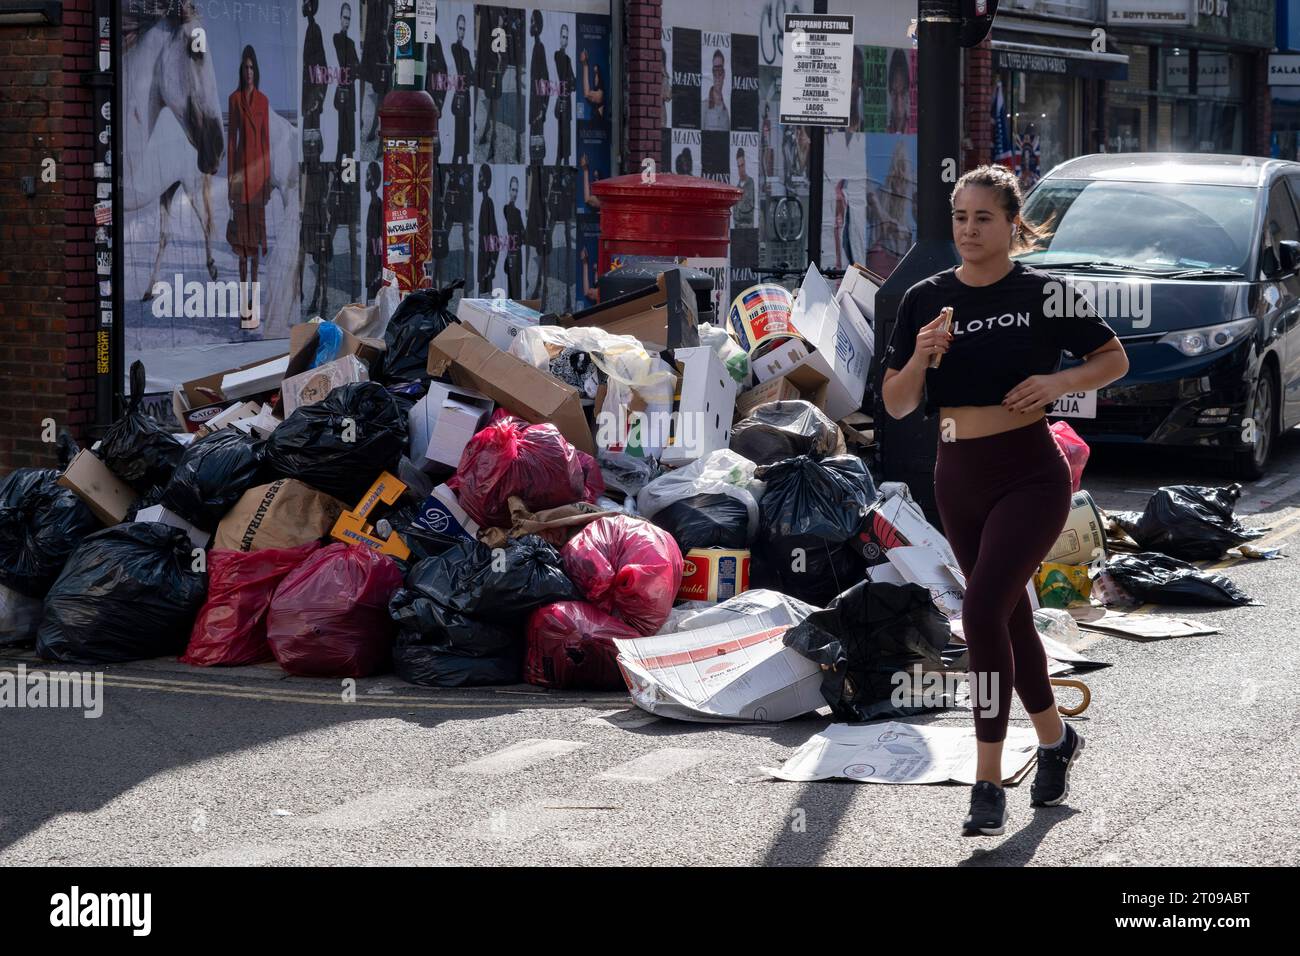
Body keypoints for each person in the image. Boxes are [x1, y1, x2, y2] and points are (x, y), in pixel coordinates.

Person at [880, 165, 1129, 837]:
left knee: (984, 609)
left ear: (1012, 225)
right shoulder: (925, 300)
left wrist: (1059, 381)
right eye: (960, 218)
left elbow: (1114, 360)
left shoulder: (1043, 292)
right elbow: (896, 404)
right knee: (1011, 620)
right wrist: (921, 359)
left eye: (982, 218)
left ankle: (986, 780)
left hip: (1031, 473)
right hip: (956, 476)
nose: (968, 230)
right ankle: (1056, 741)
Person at [227, 45, 271, 330]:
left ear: (257, 70)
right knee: (243, 248)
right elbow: (231, 141)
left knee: (254, 246)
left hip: (258, 181)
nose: (249, 72)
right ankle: (244, 306)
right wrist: (232, 179)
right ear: (241, 72)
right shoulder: (234, 100)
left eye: (252, 67)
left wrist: (268, 180)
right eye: (245, 68)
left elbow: (266, 143)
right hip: (242, 178)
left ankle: (254, 308)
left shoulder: (264, 101)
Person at [333, 3, 359, 163]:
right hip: (342, 92)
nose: (347, 21)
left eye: (349, 18)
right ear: (340, 18)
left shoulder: (352, 43)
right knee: (342, 133)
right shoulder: (337, 38)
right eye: (344, 17)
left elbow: (357, 67)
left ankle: (347, 178)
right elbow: (347, 62)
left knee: (349, 135)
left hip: (351, 92)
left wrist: (353, 67)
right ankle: (338, 168)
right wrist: (353, 67)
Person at [449, 13, 473, 164]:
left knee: (465, 131)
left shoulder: (467, 52)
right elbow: (459, 70)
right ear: (456, 29)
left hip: (467, 95)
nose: (462, 32)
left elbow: (471, 73)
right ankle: (455, 158)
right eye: (460, 28)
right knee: (458, 130)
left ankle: (463, 158)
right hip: (459, 96)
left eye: (464, 29)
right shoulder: (454, 48)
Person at [527, 10, 549, 165]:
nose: (531, 25)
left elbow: (545, 79)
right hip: (535, 109)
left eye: (533, 22)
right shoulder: (536, 47)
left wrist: (542, 108)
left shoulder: (539, 47)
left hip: (537, 111)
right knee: (534, 151)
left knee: (536, 152)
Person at [554, 23, 574, 165]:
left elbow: (573, 83)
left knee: (566, 136)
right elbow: (565, 78)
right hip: (560, 100)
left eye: (566, 37)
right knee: (560, 135)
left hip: (567, 102)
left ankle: (565, 160)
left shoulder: (568, 59)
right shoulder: (557, 55)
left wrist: (569, 81)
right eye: (563, 37)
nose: (564, 40)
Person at [476, 165, 498, 296]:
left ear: (485, 181)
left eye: (480, 176)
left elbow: (493, 235)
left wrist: (492, 264)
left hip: (486, 262)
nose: (478, 180)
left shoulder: (488, 203)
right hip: (483, 260)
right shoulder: (485, 202)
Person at [503, 175, 525, 299]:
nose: (515, 193)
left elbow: (524, 233)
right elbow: (514, 230)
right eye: (513, 190)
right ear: (509, 190)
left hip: (518, 252)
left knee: (517, 290)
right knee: (512, 288)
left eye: (516, 190)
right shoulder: (506, 209)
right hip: (511, 253)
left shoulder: (518, 212)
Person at [703, 49, 729, 131]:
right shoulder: (703, 107)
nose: (717, 75)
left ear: (724, 74)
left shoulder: (726, 112)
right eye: (715, 70)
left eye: (720, 70)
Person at [887, 48, 911, 134]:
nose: (898, 101)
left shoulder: (916, 131)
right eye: (894, 93)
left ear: (908, 93)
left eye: (903, 93)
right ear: (889, 92)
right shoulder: (883, 130)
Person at [580, 49, 605, 121]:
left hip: (600, 127)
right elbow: (586, 94)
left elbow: (587, 93)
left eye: (597, 72)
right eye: (594, 73)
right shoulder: (595, 94)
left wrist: (585, 65)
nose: (596, 77)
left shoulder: (600, 94)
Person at [733, 147, 755, 228]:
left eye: (742, 165)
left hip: (748, 228)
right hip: (737, 228)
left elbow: (750, 206)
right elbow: (735, 215)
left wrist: (739, 206)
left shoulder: (750, 183)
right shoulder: (737, 186)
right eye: (739, 166)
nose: (740, 169)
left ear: (745, 164)